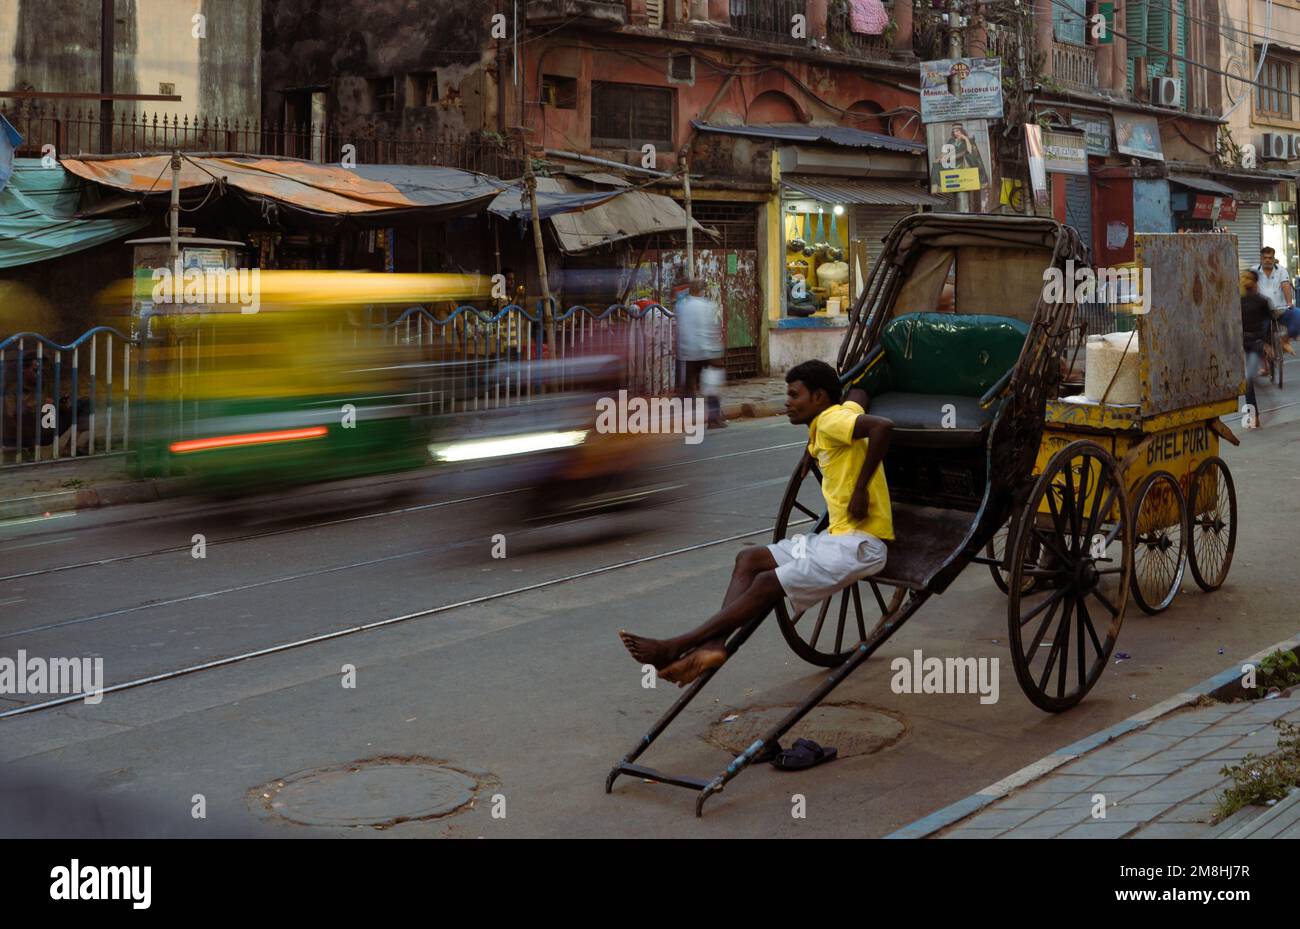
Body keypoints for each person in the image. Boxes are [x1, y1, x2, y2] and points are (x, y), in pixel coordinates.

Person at [619, 359, 893, 685]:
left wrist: (860, 489)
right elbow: (858, 395)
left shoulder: (832, 421)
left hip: (861, 544)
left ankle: (677, 644)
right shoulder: (833, 418)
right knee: (749, 559)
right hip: (837, 539)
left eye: (794, 395)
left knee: (766, 582)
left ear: (819, 397)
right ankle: (712, 646)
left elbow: (882, 427)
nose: (787, 403)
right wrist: (813, 446)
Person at [675, 277, 726, 428]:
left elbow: (679, 330)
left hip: (687, 352)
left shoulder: (681, 306)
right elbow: (712, 328)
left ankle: (685, 420)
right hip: (707, 351)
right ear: (702, 291)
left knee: (689, 387)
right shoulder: (708, 306)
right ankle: (714, 419)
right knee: (711, 385)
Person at [1240, 269, 1271, 429]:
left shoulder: (1262, 301)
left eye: (1248, 278)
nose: (1245, 281)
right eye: (1243, 278)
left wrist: (1267, 343)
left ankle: (1253, 416)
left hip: (1256, 343)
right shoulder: (1238, 300)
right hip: (1241, 342)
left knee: (1247, 380)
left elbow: (1269, 323)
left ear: (1254, 282)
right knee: (1246, 380)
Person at [1255, 247, 1297, 355]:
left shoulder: (1281, 270)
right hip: (1262, 311)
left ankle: (1285, 340)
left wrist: (1289, 302)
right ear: (1261, 258)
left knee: (1298, 315)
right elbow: (1249, 287)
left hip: (1280, 309)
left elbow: (1285, 285)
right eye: (1265, 258)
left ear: (1274, 258)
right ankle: (1264, 360)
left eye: (1270, 258)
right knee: (1258, 332)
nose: (1268, 260)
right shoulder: (1254, 271)